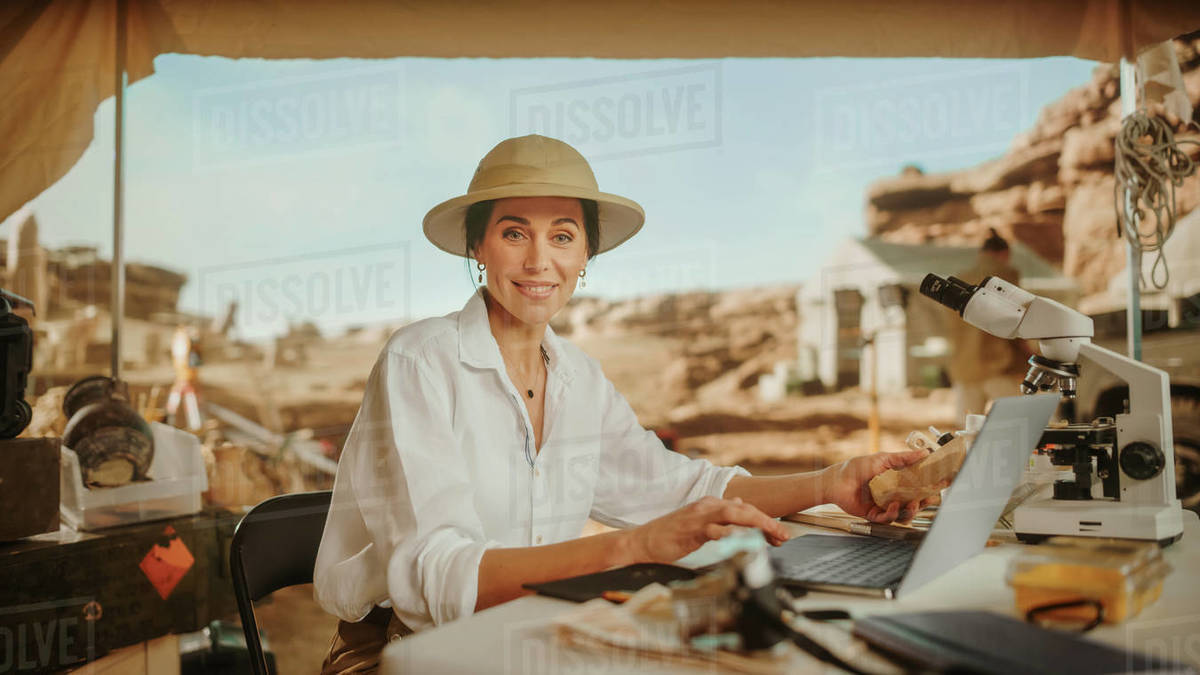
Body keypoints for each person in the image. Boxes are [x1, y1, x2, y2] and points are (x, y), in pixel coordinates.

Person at [313, 135, 934, 672]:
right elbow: (436, 577)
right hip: (413, 653)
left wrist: (829, 483)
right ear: (478, 246)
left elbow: (682, 489)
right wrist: (632, 548)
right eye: (513, 233)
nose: (539, 260)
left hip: (534, 634)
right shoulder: (419, 361)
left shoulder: (580, 378)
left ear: (586, 255)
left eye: (562, 236)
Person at [946, 228, 1030, 421]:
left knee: (967, 429)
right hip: (997, 364)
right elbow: (1017, 319)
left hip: (965, 366)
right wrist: (1029, 353)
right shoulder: (1005, 275)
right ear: (1004, 254)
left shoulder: (959, 279)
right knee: (1018, 421)